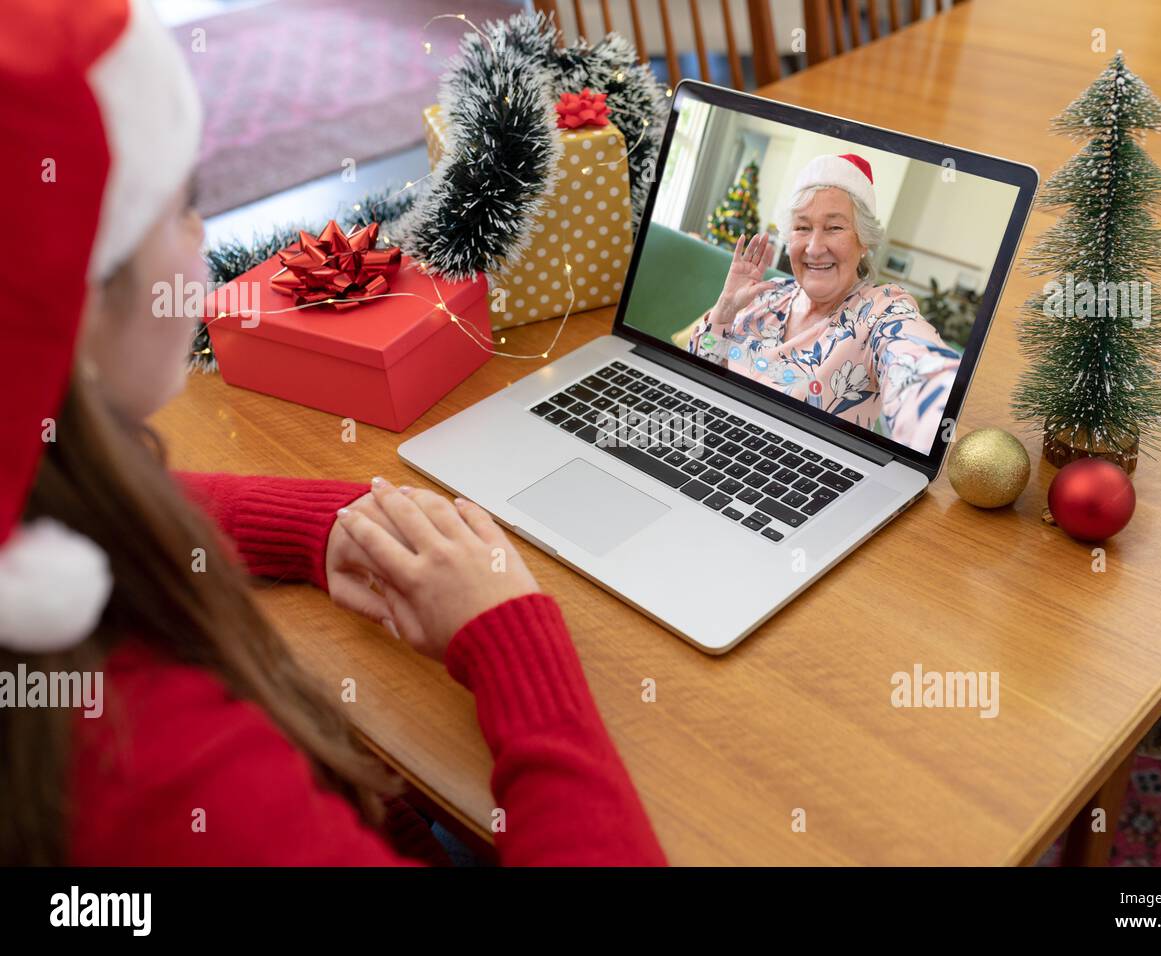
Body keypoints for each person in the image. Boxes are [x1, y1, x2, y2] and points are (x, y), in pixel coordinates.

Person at [0, 0, 665, 867]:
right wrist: (513, 638)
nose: (202, 236)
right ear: (71, 303)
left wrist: (320, 525)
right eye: (182, 206)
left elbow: (101, 504)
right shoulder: (170, 782)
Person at [689, 154, 960, 451]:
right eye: (803, 228)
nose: (815, 248)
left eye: (834, 228)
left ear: (864, 240)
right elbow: (695, 380)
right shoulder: (766, 294)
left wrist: (938, 405)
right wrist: (724, 312)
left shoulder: (879, 312)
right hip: (705, 442)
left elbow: (915, 364)